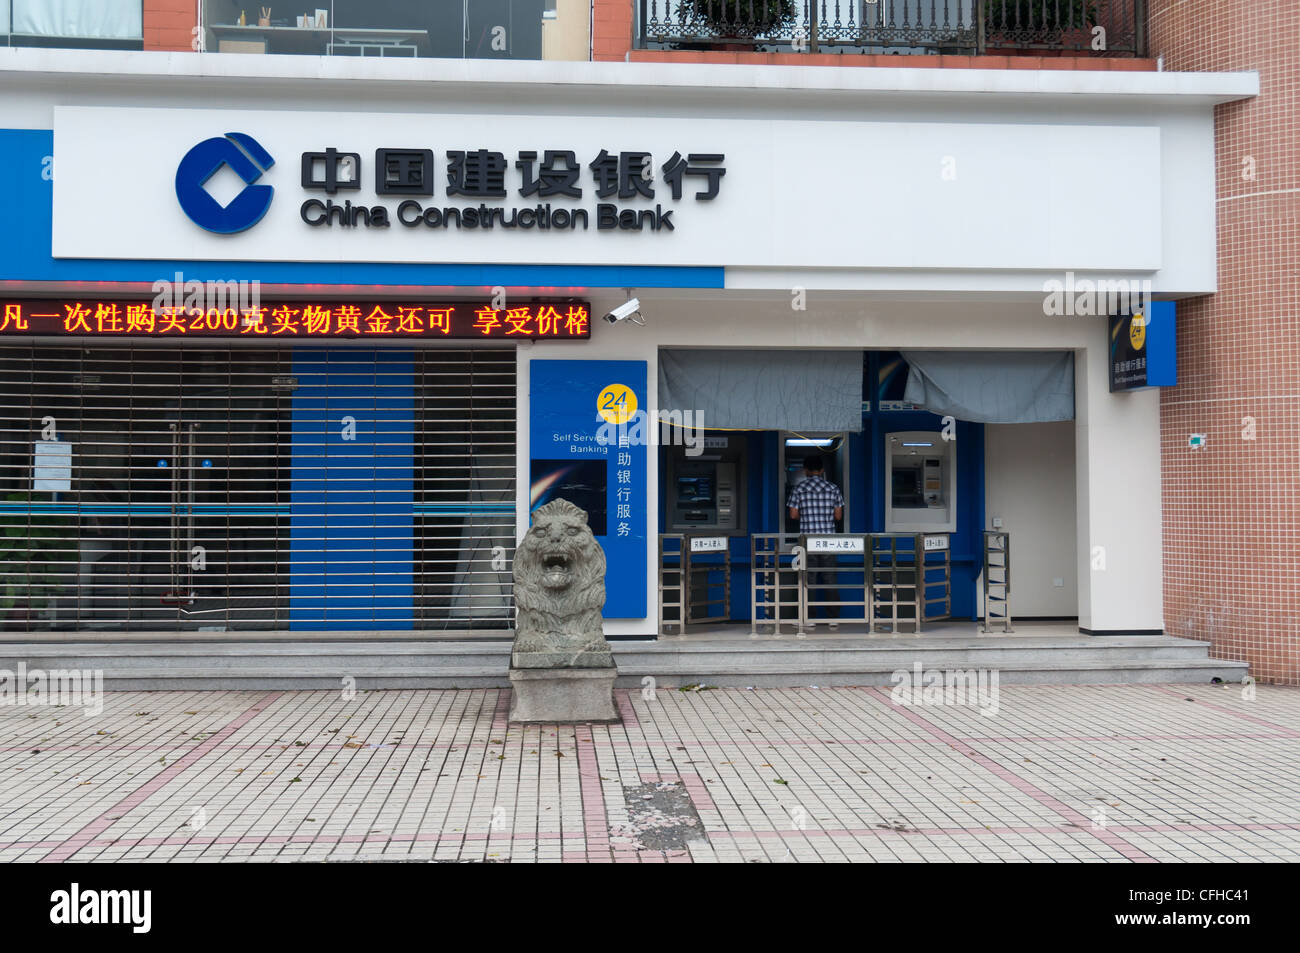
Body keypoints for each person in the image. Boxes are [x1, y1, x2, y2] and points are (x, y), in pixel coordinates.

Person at [786, 454, 845, 629]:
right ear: (822, 470)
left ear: (805, 471)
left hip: (807, 541)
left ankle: (808, 618)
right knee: (830, 579)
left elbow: (793, 515)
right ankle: (833, 618)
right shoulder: (833, 488)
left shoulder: (799, 488)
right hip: (828, 541)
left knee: (808, 579)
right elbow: (838, 515)